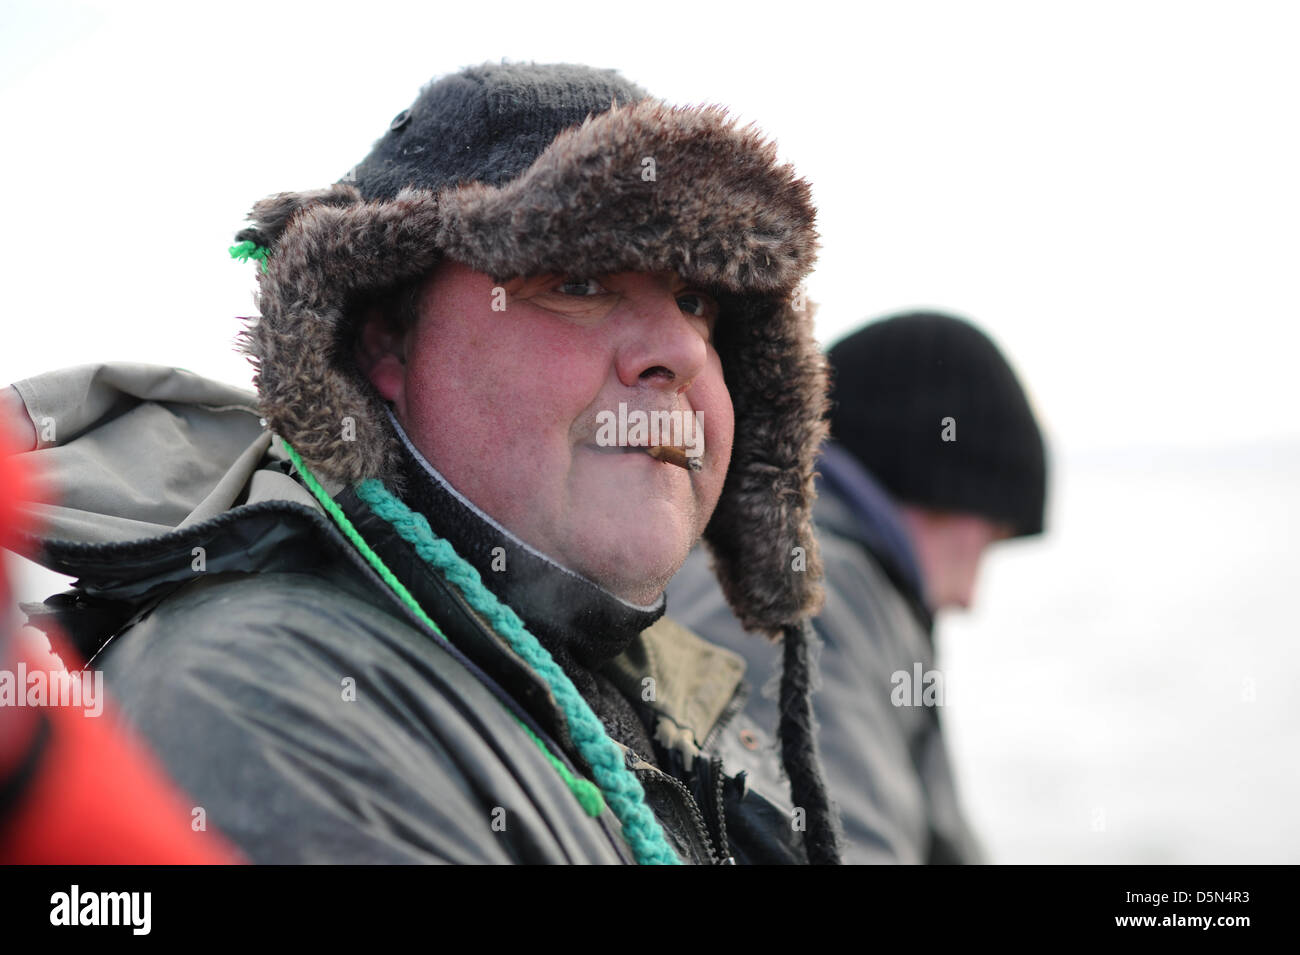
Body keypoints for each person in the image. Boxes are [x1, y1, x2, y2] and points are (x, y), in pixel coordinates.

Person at [1, 61, 840, 864]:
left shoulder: (647, 704)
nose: (679, 350)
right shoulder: (272, 700)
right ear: (384, 345)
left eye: (698, 302)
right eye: (579, 283)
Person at [668, 310, 1048, 863]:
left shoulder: (841, 583)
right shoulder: (805, 599)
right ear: (938, 495)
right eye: (989, 541)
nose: (970, 598)